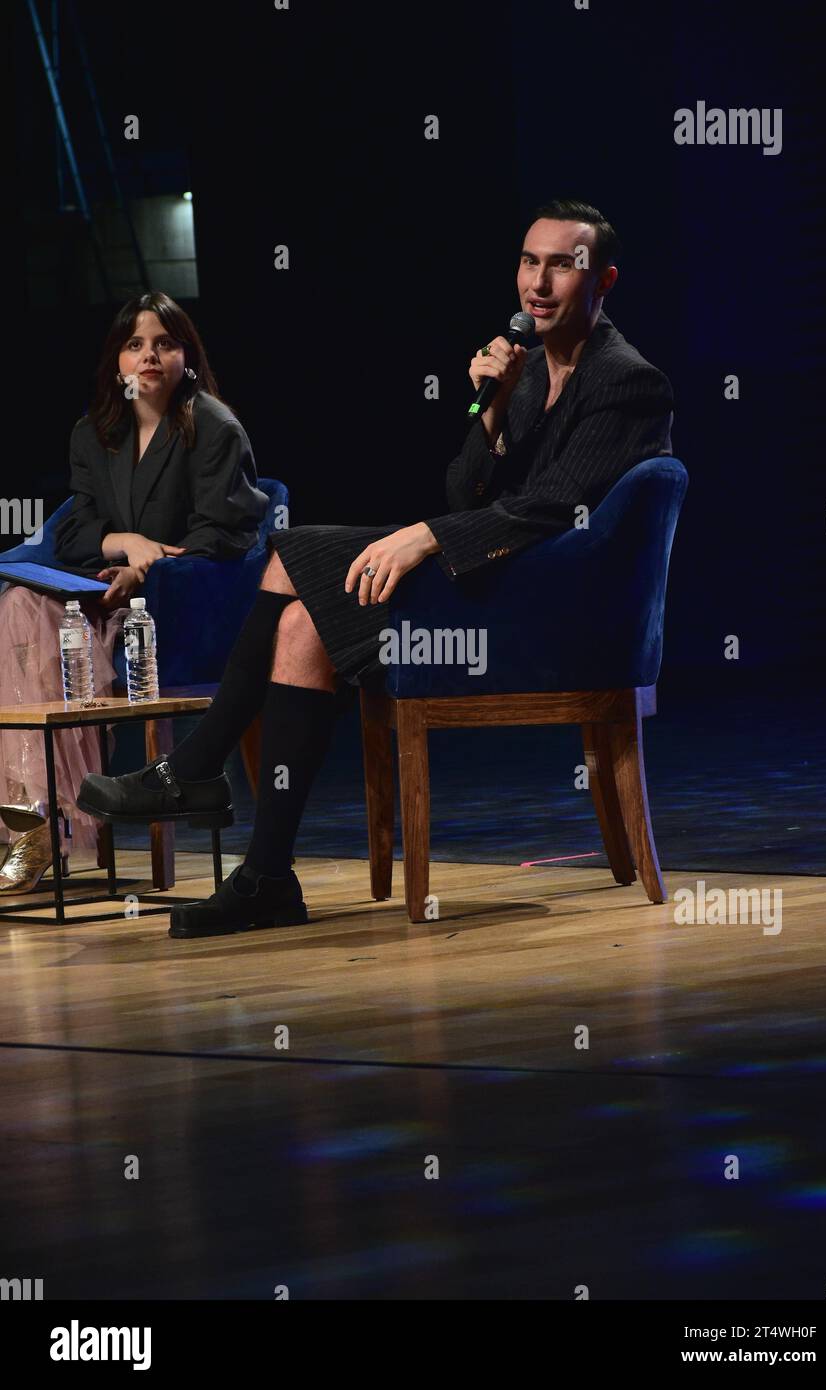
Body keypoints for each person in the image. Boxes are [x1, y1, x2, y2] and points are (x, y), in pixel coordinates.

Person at [76, 198, 674, 939]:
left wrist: (423, 538)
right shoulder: (529, 371)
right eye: (529, 261)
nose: (539, 283)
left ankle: (198, 766)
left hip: (550, 617)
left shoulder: (625, 381)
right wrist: (491, 412)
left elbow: (551, 511)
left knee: (294, 552)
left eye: (563, 265)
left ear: (603, 279)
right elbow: (464, 492)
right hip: (500, 584)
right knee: (300, 623)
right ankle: (266, 876)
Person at [0, 292, 268, 892]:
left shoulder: (212, 427)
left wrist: (145, 574)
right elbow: (73, 530)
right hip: (98, 592)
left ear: (186, 356)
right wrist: (126, 542)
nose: (149, 356)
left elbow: (222, 537)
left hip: (172, 608)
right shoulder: (95, 433)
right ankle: (36, 818)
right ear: (116, 362)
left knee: (47, 629)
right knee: (18, 608)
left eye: (165, 343)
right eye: (135, 344)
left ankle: (50, 825)